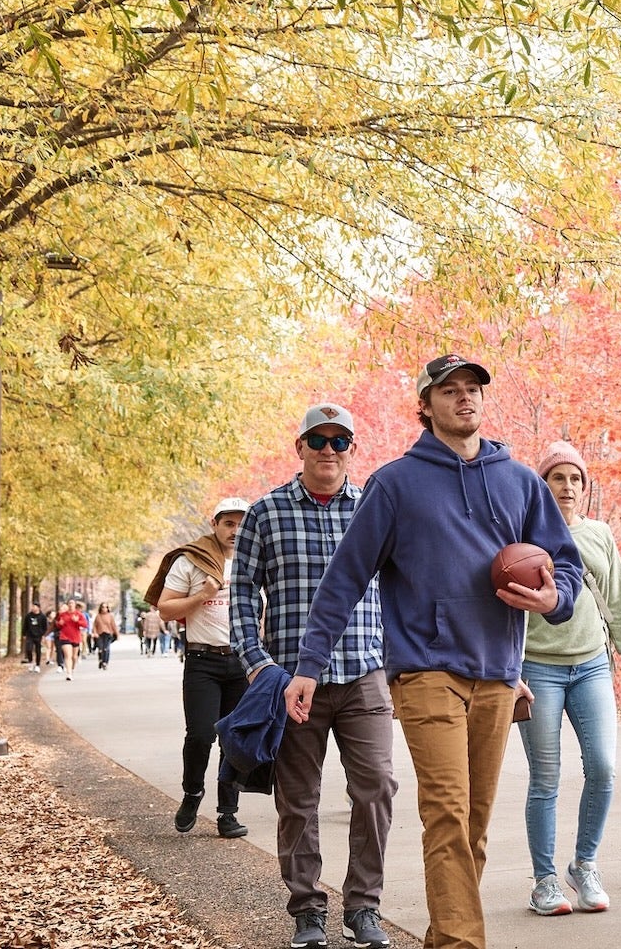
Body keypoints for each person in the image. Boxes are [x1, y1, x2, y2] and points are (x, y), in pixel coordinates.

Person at [284, 353, 582, 949]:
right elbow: (344, 579)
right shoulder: (396, 484)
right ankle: (461, 943)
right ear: (426, 406)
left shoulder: (520, 481)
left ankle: (444, 933)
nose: (464, 398)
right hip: (425, 673)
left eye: (472, 389)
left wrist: (553, 599)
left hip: (498, 674)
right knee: (446, 814)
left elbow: (565, 566)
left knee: (472, 827)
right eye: (449, 391)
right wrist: (309, 668)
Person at [230, 403, 396, 949]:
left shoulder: (375, 507)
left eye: (339, 441)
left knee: (376, 789)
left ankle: (363, 906)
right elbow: (240, 596)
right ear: (298, 447)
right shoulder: (265, 512)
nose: (329, 450)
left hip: (365, 676)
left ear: (352, 449)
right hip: (293, 683)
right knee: (298, 798)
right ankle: (306, 909)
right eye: (318, 440)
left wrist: (398, 659)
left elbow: (401, 586)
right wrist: (259, 667)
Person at [516, 440, 621, 916]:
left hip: (591, 664)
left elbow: (618, 601)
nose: (567, 487)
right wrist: (511, 671)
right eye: (557, 478)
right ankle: (544, 881)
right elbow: (502, 612)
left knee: (604, 769)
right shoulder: (521, 536)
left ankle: (584, 864)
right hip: (537, 666)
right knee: (545, 778)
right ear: (542, 485)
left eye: (575, 479)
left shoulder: (599, 534)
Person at [155, 496, 254, 839]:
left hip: (242, 661)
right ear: (214, 525)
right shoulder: (191, 561)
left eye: (241, 523)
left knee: (234, 739)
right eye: (228, 523)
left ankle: (228, 812)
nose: (235, 531)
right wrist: (201, 595)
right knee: (200, 735)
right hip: (202, 661)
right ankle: (192, 793)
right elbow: (165, 610)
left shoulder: (254, 560)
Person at [53, 599, 89, 680]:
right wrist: (60, 624)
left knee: (74, 657)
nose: (71, 605)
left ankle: (72, 668)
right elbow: (58, 625)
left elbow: (85, 625)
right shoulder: (63, 615)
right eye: (69, 603)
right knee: (67, 655)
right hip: (65, 637)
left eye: (72, 603)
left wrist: (77, 621)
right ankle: (69, 673)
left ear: (75, 605)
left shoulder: (79, 614)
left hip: (75, 637)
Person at [21, 602, 48, 671]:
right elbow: (25, 625)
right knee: (29, 649)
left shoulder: (42, 616)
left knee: (38, 650)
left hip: (39, 635)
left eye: (35, 606)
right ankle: (31, 662)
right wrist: (24, 634)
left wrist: (44, 635)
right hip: (30, 635)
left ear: (38, 608)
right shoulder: (28, 616)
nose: (33, 608)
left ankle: (37, 665)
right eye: (32, 606)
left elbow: (45, 627)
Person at [92, 603, 119, 669]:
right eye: (103, 607)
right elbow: (94, 626)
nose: (104, 609)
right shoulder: (98, 616)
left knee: (106, 648)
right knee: (100, 649)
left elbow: (114, 626)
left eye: (106, 607)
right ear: (100, 608)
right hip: (100, 634)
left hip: (108, 634)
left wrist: (117, 634)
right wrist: (95, 633)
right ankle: (101, 660)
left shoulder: (110, 616)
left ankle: (105, 663)